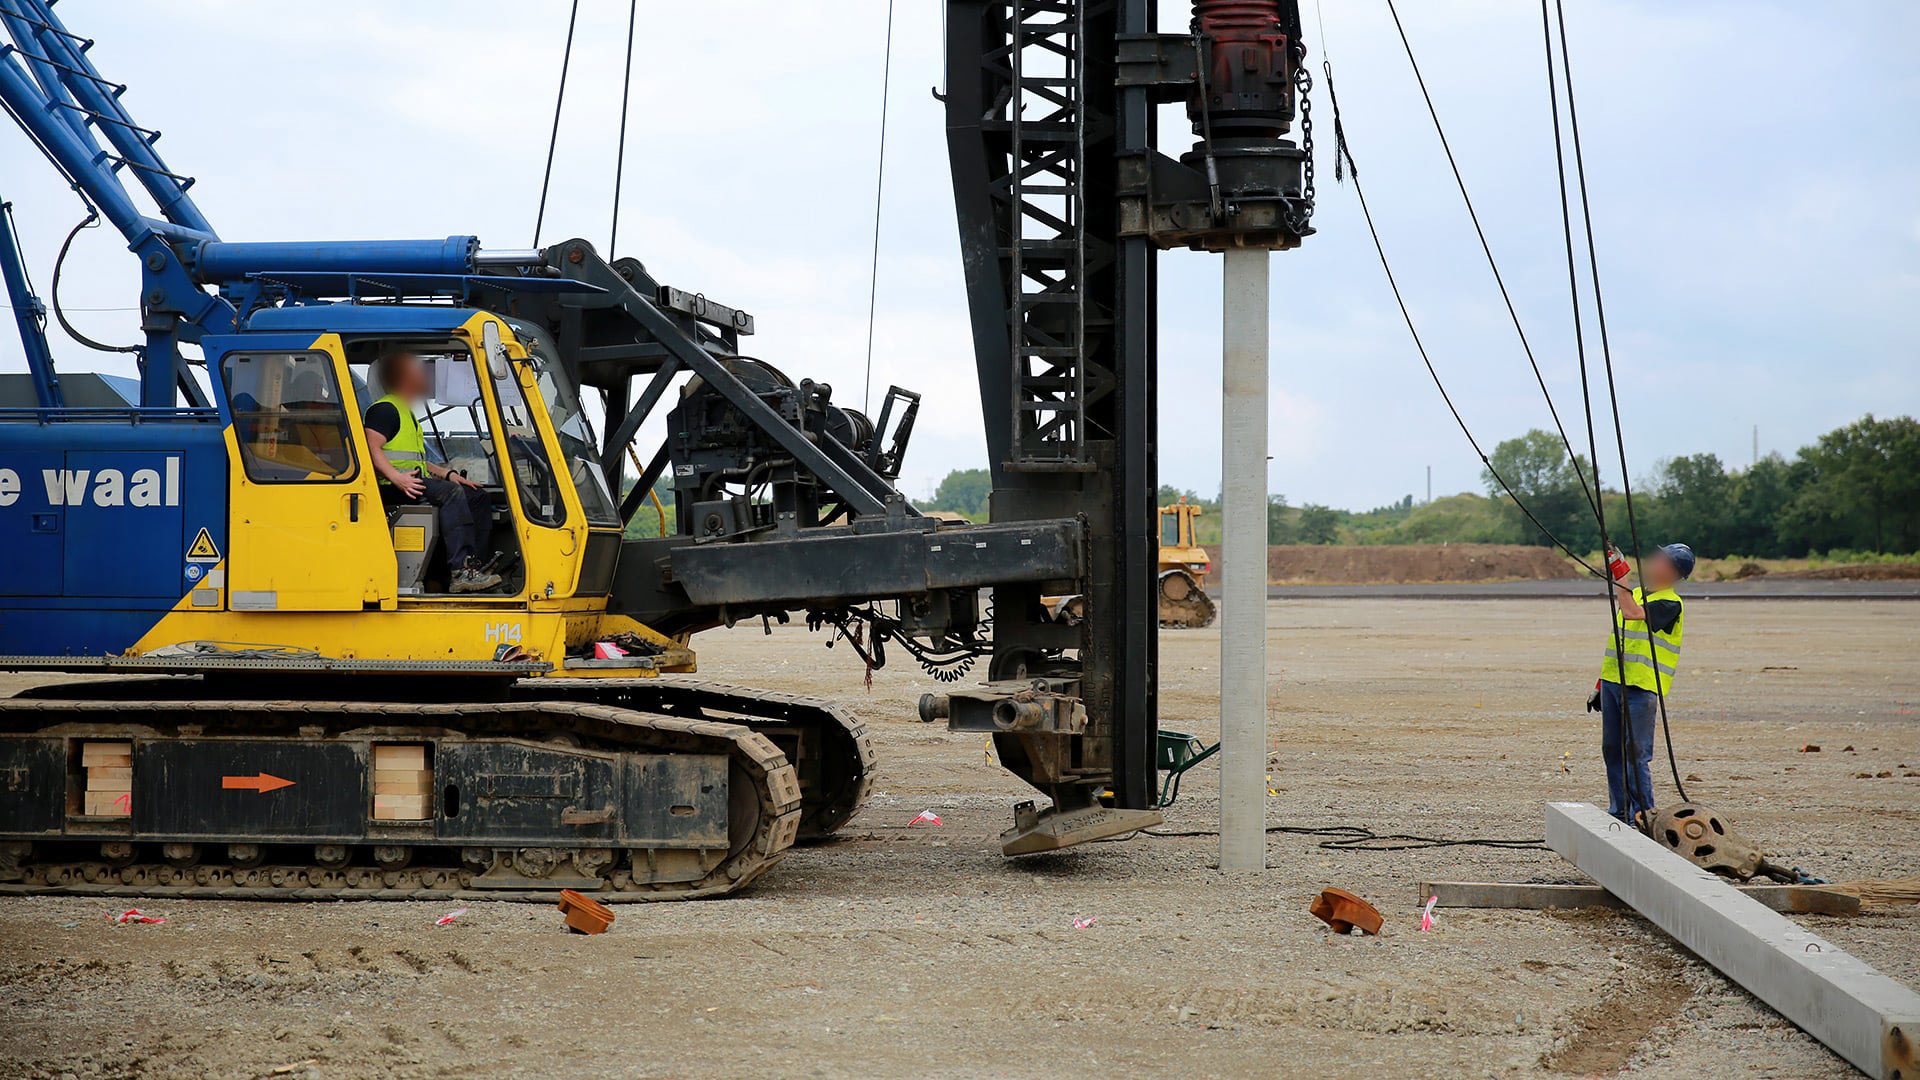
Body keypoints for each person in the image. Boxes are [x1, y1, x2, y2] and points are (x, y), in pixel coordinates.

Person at [364, 350, 501, 593]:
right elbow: (369, 447)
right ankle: (460, 571)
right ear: (405, 378)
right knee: (450, 494)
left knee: (478, 497)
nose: (424, 373)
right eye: (417, 368)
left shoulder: (405, 412)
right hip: (392, 488)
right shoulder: (385, 409)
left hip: (412, 481)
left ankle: (473, 566)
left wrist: (448, 474)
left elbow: (417, 460)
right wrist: (397, 478)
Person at [1588, 541, 1694, 824]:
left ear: (1672, 572)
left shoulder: (1670, 603)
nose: (1653, 562)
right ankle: (1620, 812)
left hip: (1641, 688)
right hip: (1613, 683)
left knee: (1636, 755)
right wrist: (1600, 685)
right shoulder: (1636, 594)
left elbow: (1631, 613)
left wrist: (1620, 576)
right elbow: (1620, 642)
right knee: (1612, 750)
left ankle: (1644, 815)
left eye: (1661, 560)